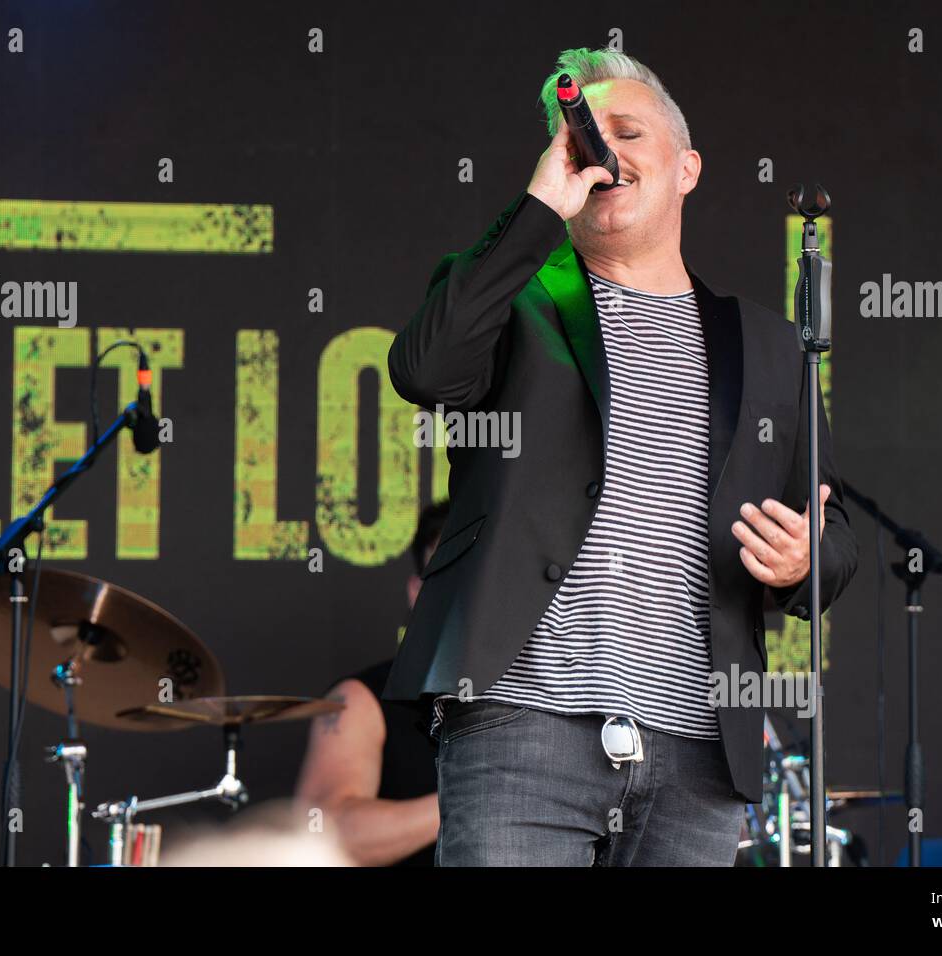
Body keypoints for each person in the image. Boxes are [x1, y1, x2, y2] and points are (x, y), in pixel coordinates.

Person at [383, 47, 858, 866]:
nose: (603, 151)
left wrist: (803, 561)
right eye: (582, 138)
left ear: (687, 169)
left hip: (701, 753)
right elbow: (425, 371)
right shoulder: (515, 301)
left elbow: (834, 531)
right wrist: (540, 207)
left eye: (628, 131)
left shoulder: (765, 343)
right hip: (522, 725)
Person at [294, 501, 450, 866]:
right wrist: (478, 799)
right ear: (416, 592)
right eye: (448, 575)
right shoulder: (363, 698)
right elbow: (322, 830)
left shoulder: (565, 694)